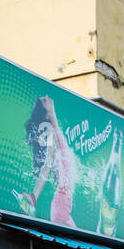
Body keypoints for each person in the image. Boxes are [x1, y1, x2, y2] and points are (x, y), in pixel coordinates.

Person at [19, 96, 77, 227]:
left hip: (63, 205)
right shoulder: (51, 132)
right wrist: (34, 196)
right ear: (45, 115)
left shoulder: (56, 130)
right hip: (60, 207)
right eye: (43, 101)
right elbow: (47, 165)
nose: (46, 97)